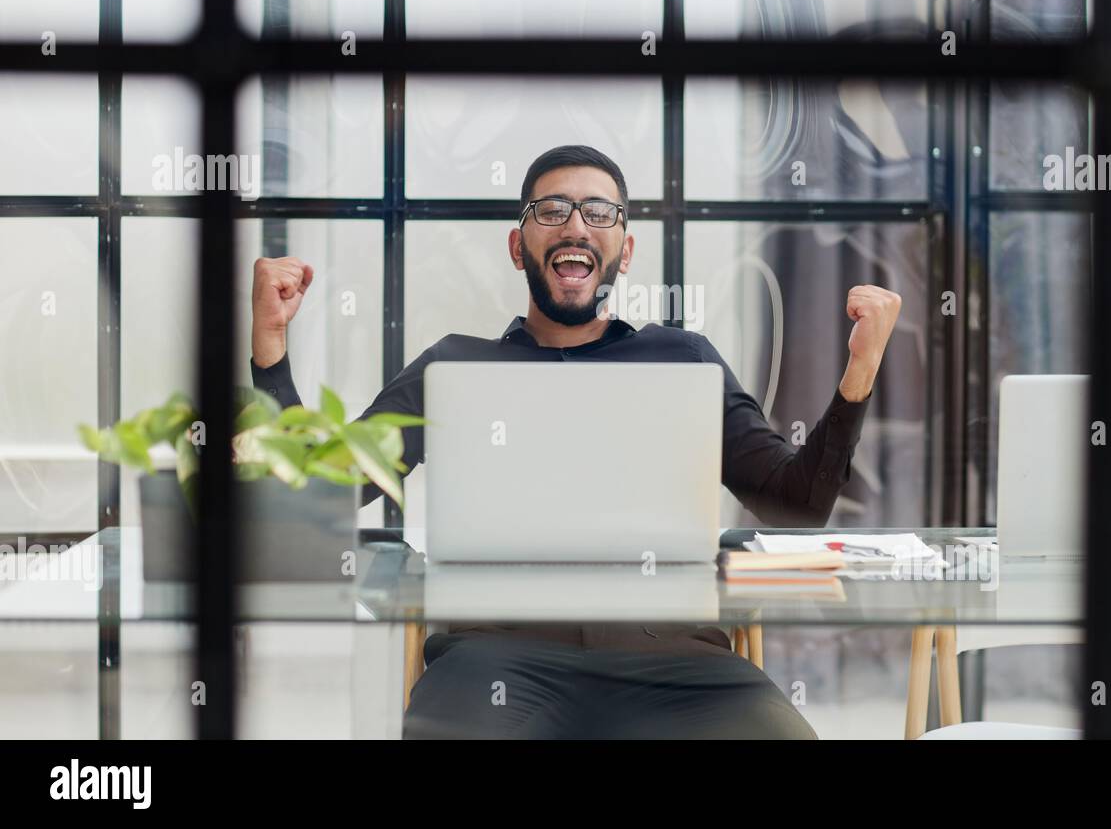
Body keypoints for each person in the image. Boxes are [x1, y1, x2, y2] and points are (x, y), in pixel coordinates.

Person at [250, 145, 902, 738]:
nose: (575, 226)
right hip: (495, 663)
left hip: (674, 663)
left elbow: (795, 503)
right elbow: (326, 491)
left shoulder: (685, 360)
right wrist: (272, 356)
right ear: (517, 245)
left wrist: (860, 374)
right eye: (552, 210)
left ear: (625, 247)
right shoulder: (453, 369)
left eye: (598, 211)